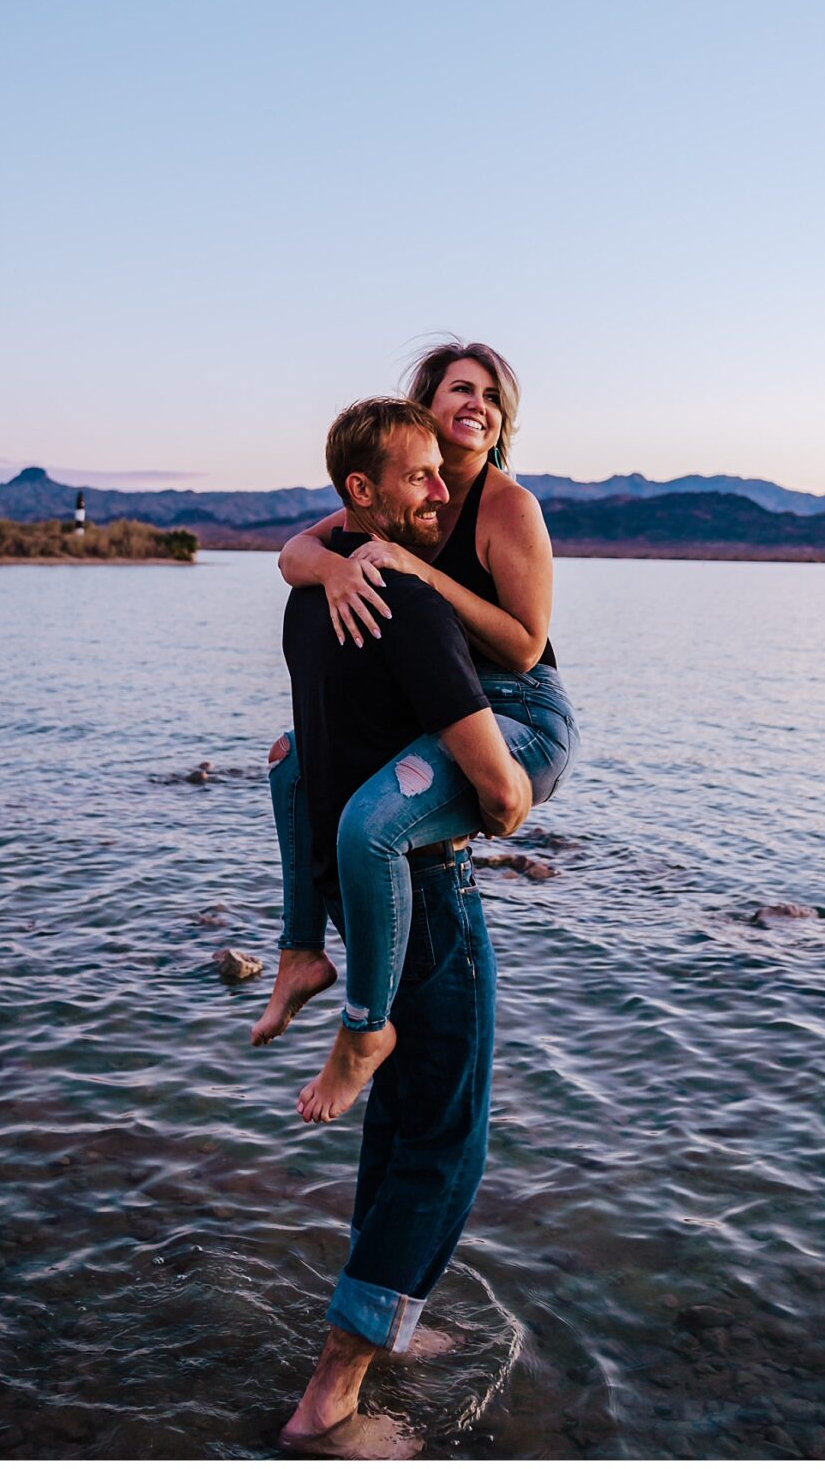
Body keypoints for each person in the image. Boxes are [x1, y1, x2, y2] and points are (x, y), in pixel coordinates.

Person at [276, 397, 532, 1447]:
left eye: (442, 473)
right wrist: (519, 784)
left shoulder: (310, 598)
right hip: (425, 898)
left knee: (395, 1120)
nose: (440, 491)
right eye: (420, 475)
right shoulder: (413, 605)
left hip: (358, 893)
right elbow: (500, 793)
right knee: (444, 1135)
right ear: (362, 493)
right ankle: (334, 1393)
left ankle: (384, 1317)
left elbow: (309, 757)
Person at [253, 340, 580, 1126]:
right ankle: (300, 953)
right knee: (291, 761)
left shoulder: (506, 506)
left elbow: (526, 644)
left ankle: (366, 1030)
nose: (477, 404)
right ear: (423, 409)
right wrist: (333, 569)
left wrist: (416, 570)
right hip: (441, 702)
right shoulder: (402, 483)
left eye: (492, 397)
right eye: (459, 389)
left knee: (371, 825)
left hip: (517, 712)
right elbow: (297, 548)